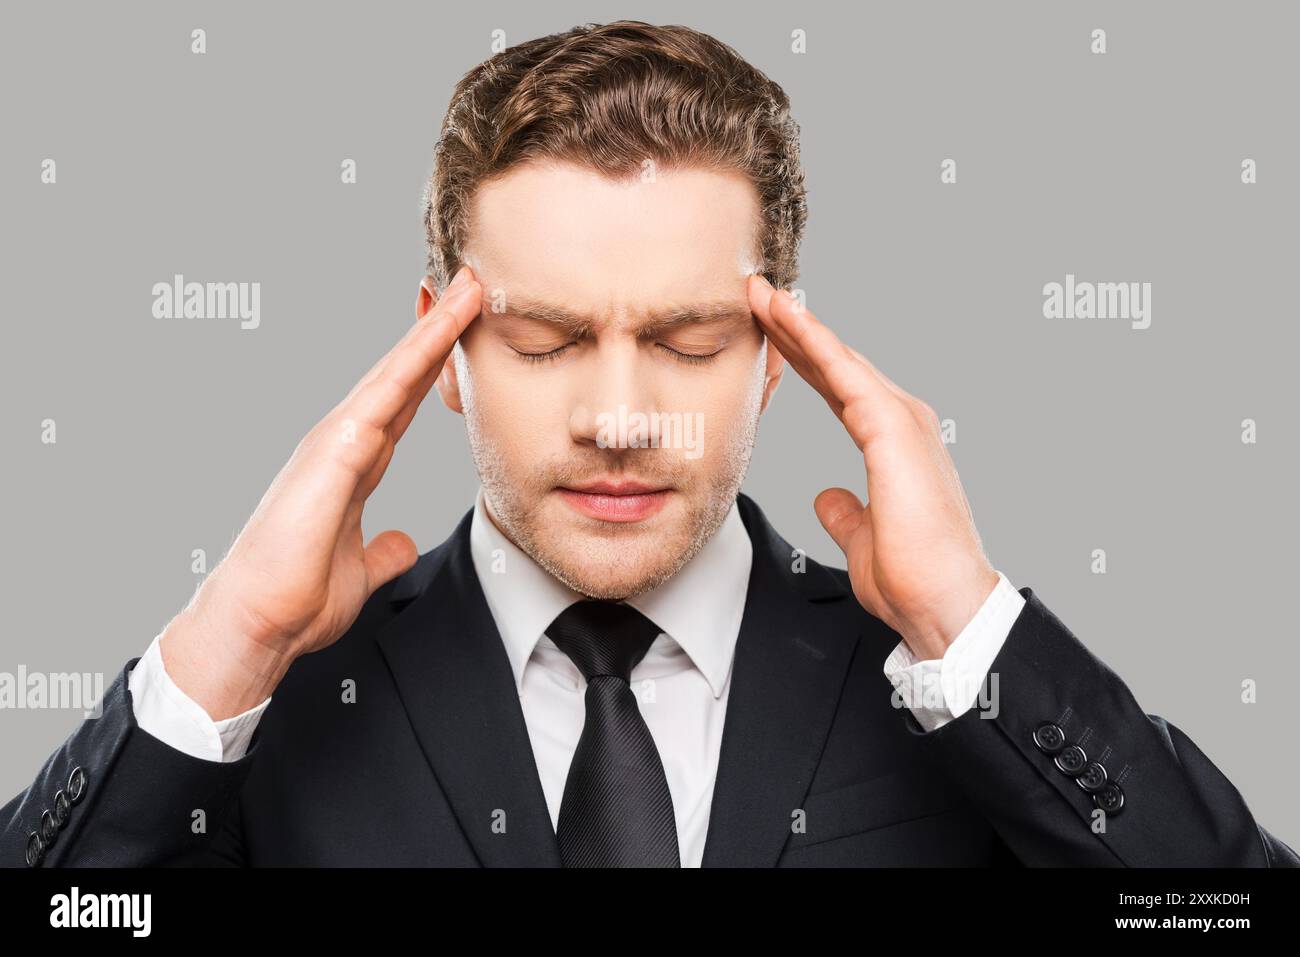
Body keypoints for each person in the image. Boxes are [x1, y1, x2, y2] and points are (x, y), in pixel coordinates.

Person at [4, 20, 1296, 868]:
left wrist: (970, 629)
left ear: (777, 356)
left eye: (685, 340)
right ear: (441, 353)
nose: (619, 417)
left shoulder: (935, 685)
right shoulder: (272, 698)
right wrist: (224, 645)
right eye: (546, 339)